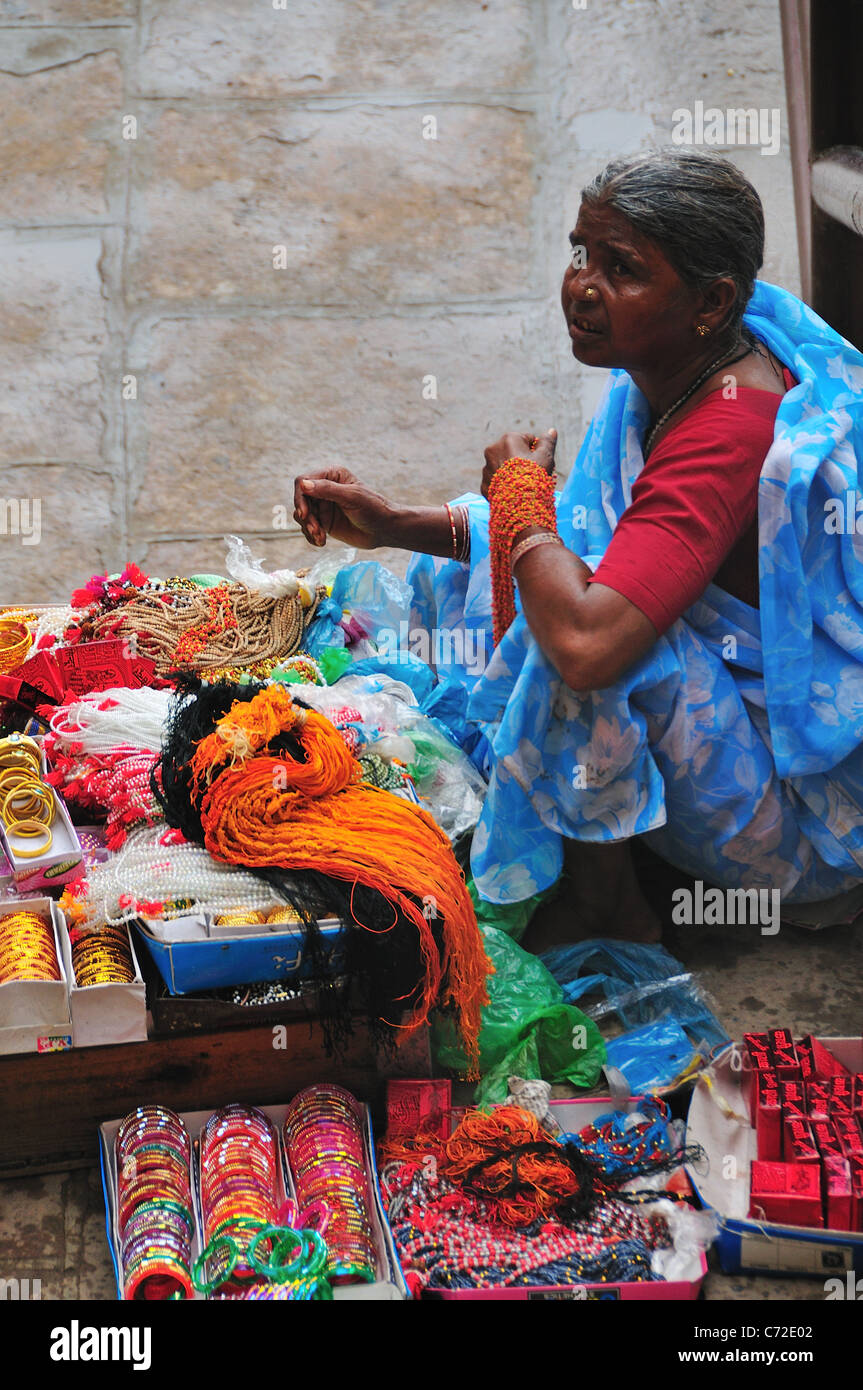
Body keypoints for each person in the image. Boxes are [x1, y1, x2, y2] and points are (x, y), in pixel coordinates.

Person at [293, 148, 863, 948]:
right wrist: (393, 524)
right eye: (580, 254)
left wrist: (522, 496)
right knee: (473, 544)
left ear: (712, 300)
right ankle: (567, 811)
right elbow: (600, 538)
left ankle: (610, 911)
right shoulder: (686, 359)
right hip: (727, 716)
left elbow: (588, 643)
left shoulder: (725, 431)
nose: (582, 287)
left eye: (622, 268)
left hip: (792, 829)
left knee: (567, 642)